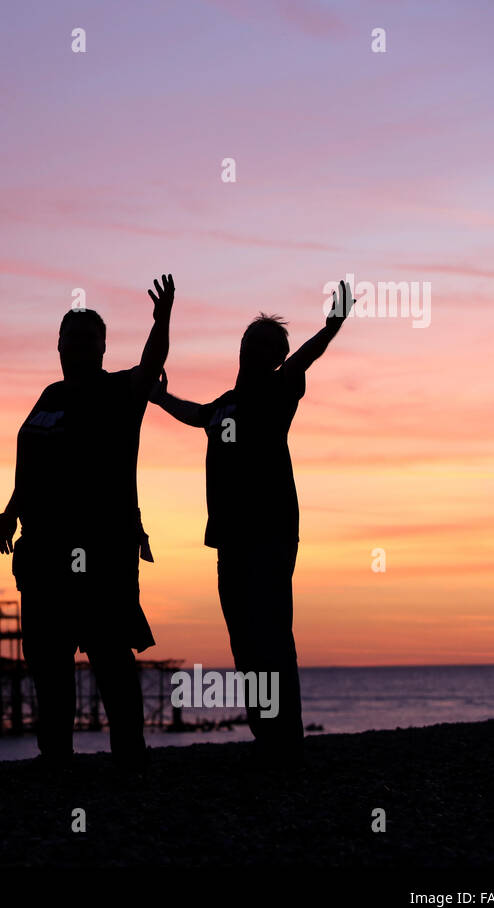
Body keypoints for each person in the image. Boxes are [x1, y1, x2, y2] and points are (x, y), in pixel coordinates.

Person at [150, 280, 355, 767]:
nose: (259, 353)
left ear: (277, 358)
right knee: (243, 641)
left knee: (272, 637)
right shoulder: (225, 403)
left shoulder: (280, 390)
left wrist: (331, 327)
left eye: (270, 349)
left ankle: (288, 743)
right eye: (253, 344)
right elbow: (197, 414)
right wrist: (160, 399)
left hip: (271, 534)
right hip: (229, 539)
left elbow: (305, 358)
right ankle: (268, 739)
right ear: (241, 349)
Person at [0, 275, 175, 773]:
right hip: (42, 552)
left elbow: (151, 366)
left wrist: (162, 322)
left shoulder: (118, 391)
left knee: (111, 659)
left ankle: (130, 761)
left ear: (103, 347)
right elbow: (30, 464)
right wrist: (10, 510)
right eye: (72, 335)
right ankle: (56, 760)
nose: (80, 344)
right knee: (50, 666)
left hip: (102, 551)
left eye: (90, 337)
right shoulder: (49, 396)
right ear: (59, 344)